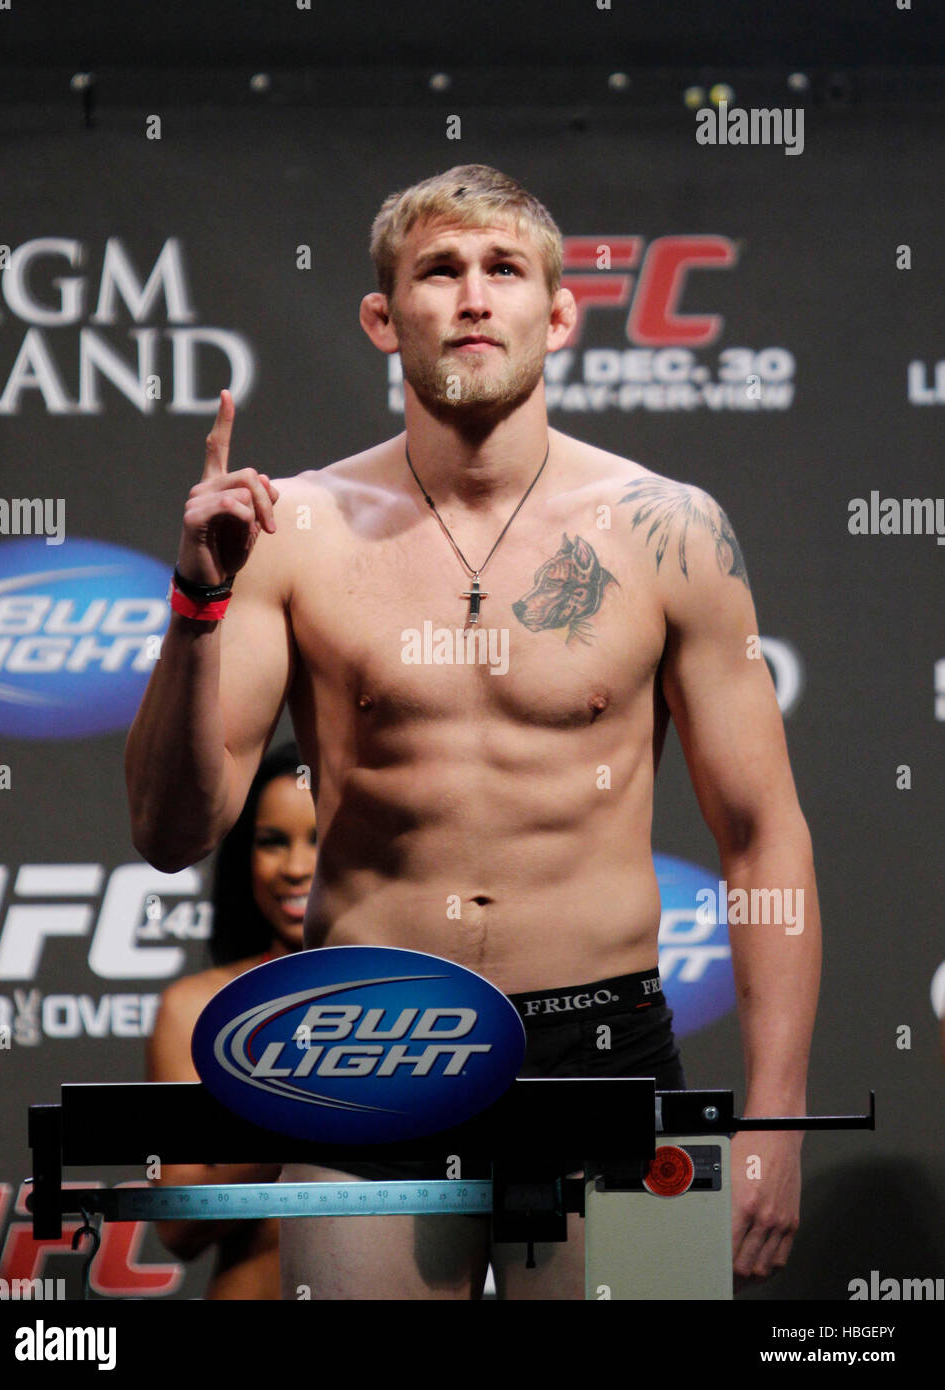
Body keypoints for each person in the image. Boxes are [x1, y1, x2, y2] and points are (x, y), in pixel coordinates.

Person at [126, 162, 821, 1300]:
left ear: (557, 312)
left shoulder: (668, 532)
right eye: (436, 271)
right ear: (381, 317)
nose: (470, 296)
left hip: (608, 1052)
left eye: (503, 270)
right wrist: (197, 608)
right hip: (367, 1046)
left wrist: (777, 1117)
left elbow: (760, 838)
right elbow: (169, 829)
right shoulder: (290, 532)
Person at [145, 740, 315, 1299]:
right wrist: (305, 1098)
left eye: (320, 840)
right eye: (272, 842)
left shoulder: (430, 1002)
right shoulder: (196, 1008)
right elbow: (178, 1225)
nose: (296, 867)